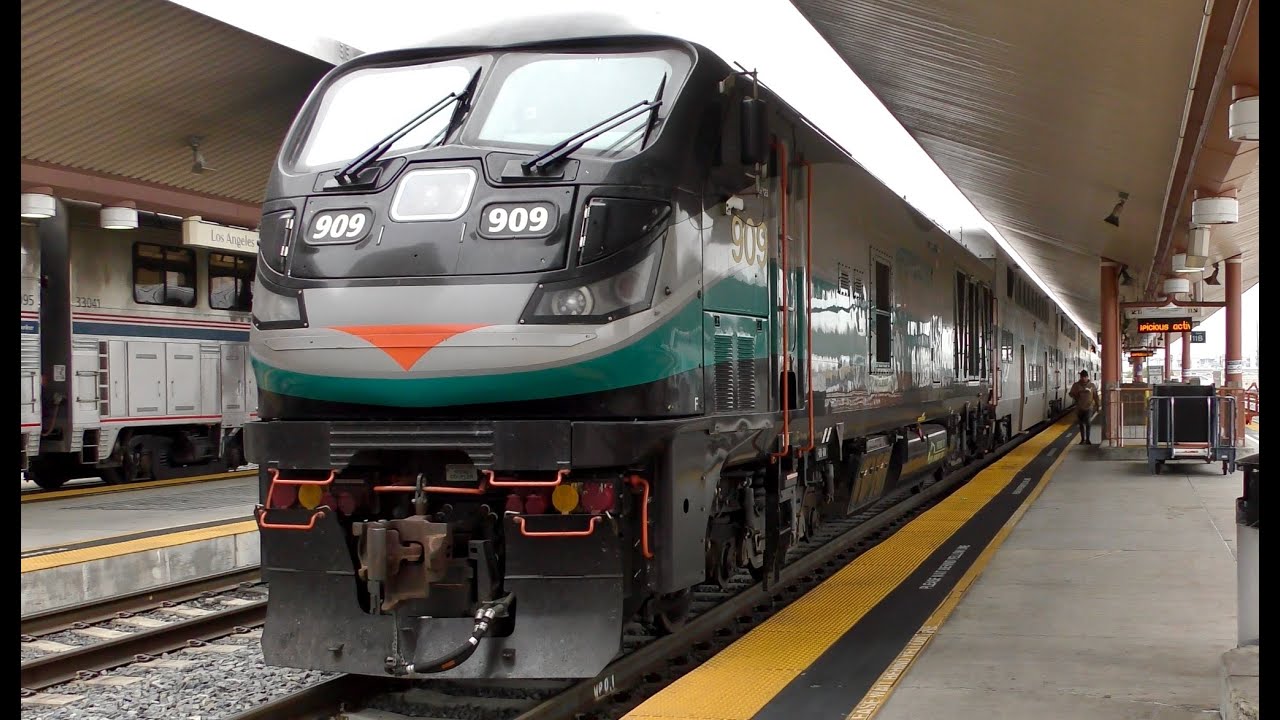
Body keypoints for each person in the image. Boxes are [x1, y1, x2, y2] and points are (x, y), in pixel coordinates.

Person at [1069, 369, 1099, 444]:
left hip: (1089, 407)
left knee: (1088, 423)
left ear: (1087, 377)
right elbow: (1071, 393)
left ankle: (1088, 439)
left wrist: (1098, 405)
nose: (1083, 378)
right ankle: (1082, 439)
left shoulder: (1092, 385)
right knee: (1081, 424)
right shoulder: (1076, 385)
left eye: (1085, 377)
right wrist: (1076, 396)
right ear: (1080, 377)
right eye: (1082, 377)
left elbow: (1095, 396)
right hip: (1079, 408)